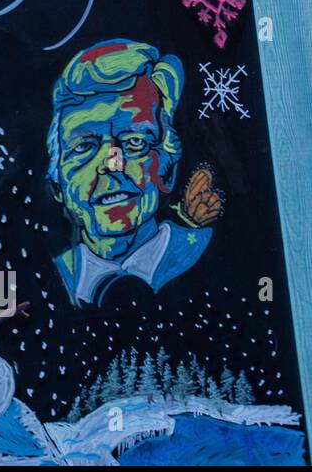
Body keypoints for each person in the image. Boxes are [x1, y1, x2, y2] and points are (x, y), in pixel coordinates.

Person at [44, 39, 221, 307]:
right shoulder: (49, 281)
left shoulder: (207, 258)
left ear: (168, 170)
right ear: (58, 183)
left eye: (135, 142)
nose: (113, 164)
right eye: (84, 147)